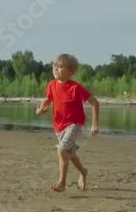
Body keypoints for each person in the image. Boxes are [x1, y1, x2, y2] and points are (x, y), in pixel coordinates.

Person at [36, 53, 100, 192]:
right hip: (59, 126)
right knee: (69, 154)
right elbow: (48, 99)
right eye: (54, 66)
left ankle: (62, 183)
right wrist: (41, 108)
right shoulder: (52, 85)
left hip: (75, 124)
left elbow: (95, 103)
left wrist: (95, 124)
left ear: (70, 71)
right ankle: (83, 172)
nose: (56, 69)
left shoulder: (76, 88)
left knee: (62, 150)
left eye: (60, 67)